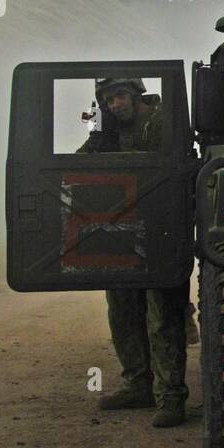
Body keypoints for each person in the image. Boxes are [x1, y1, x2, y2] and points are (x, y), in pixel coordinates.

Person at [77, 77, 190, 428]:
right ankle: (138, 385)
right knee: (123, 313)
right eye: (108, 100)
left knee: (163, 317)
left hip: (162, 231)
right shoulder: (108, 131)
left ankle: (171, 397)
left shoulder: (162, 121)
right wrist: (97, 143)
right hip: (121, 233)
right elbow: (77, 165)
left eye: (120, 96)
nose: (114, 105)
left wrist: (112, 155)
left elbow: (168, 161)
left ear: (137, 95)